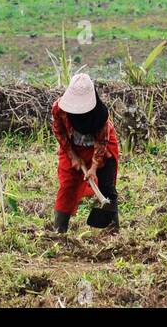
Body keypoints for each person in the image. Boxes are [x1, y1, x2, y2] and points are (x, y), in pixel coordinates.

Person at [51, 72, 120, 232]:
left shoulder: (100, 116)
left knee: (107, 187)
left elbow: (102, 142)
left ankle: (113, 231)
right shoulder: (59, 109)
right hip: (72, 148)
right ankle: (59, 230)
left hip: (101, 149)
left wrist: (94, 168)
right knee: (67, 185)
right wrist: (73, 156)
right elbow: (59, 131)